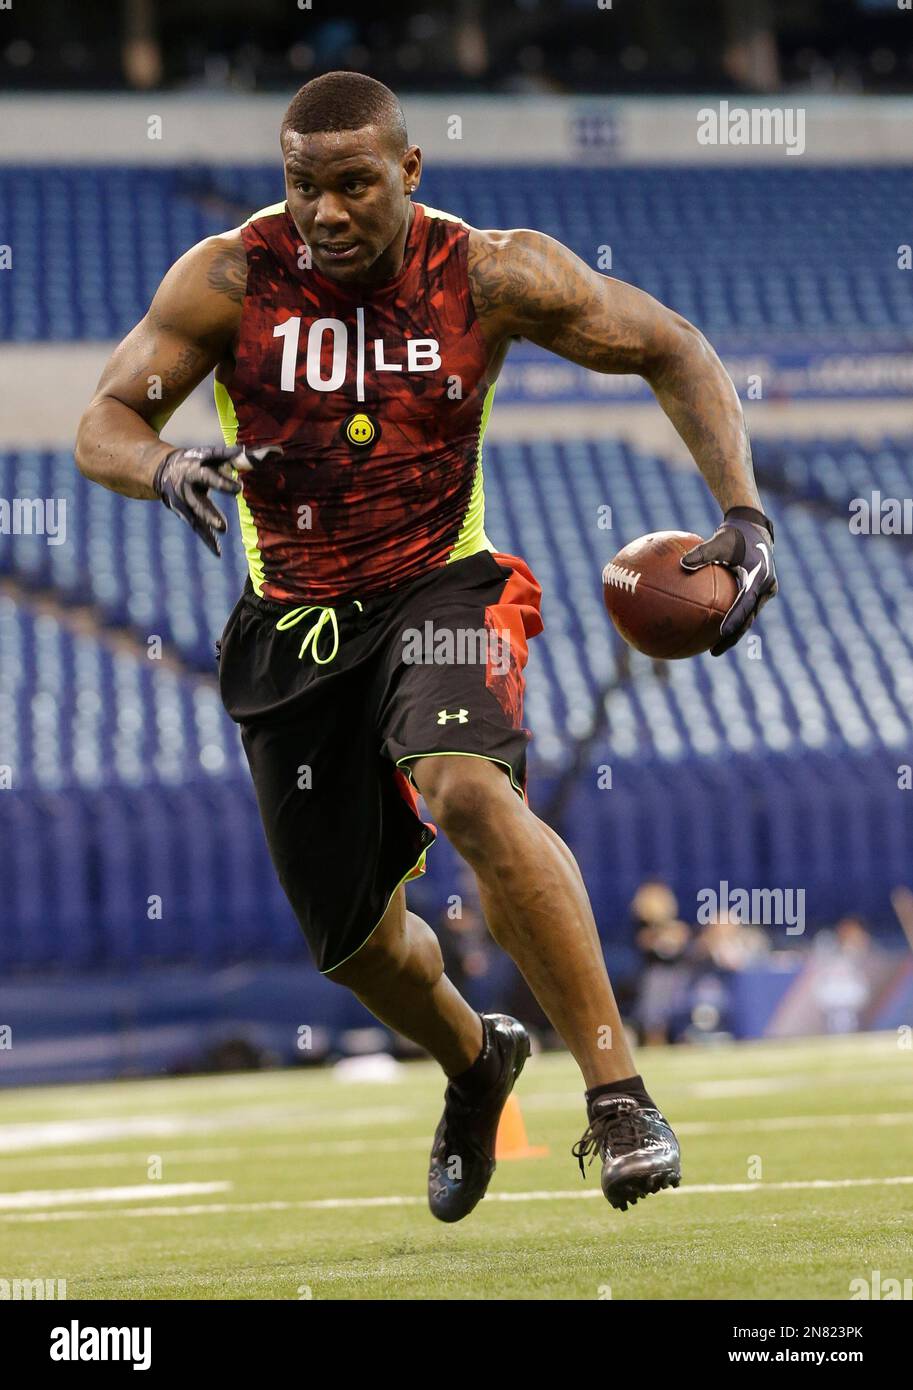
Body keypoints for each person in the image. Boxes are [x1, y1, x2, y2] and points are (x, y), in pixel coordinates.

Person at [75, 70, 777, 1220]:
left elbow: (673, 345)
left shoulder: (491, 274)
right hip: (290, 625)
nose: (326, 214)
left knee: (466, 792)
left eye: (353, 184)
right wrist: (163, 466)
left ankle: (618, 1096)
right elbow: (104, 418)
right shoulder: (231, 277)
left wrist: (743, 516)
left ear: (409, 171)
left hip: (442, 588)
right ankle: (474, 1060)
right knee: (355, 949)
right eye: (303, 187)